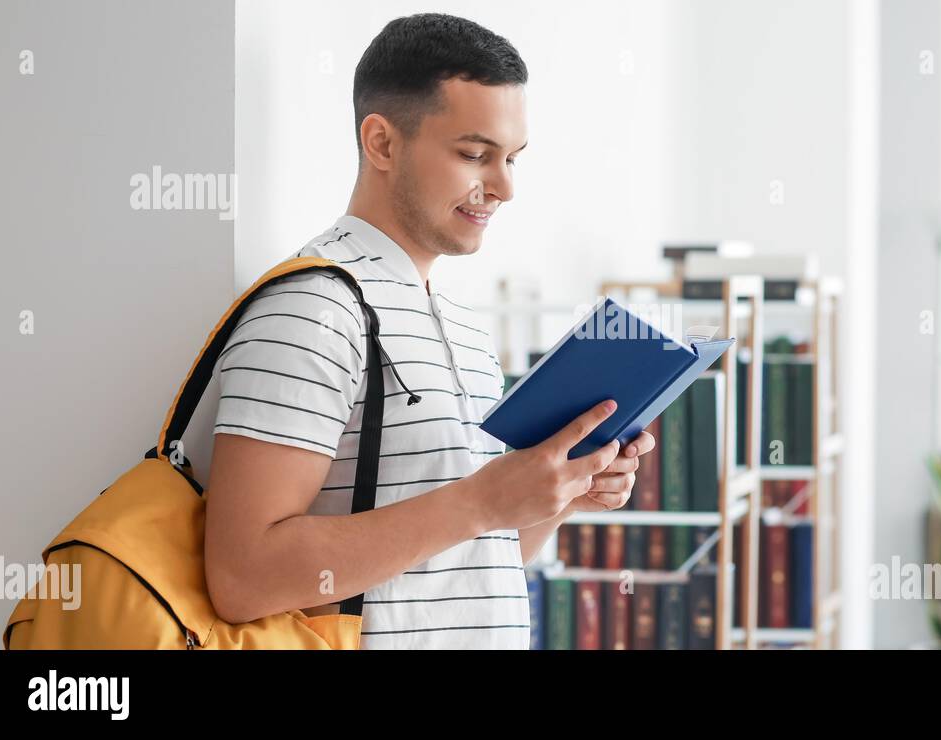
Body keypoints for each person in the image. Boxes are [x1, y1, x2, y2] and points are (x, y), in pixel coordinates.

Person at [203, 13, 654, 649]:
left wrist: (558, 493)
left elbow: (464, 566)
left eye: (512, 159)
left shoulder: (466, 332)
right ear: (382, 143)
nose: (503, 187)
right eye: (475, 155)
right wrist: (482, 502)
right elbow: (242, 575)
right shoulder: (315, 309)